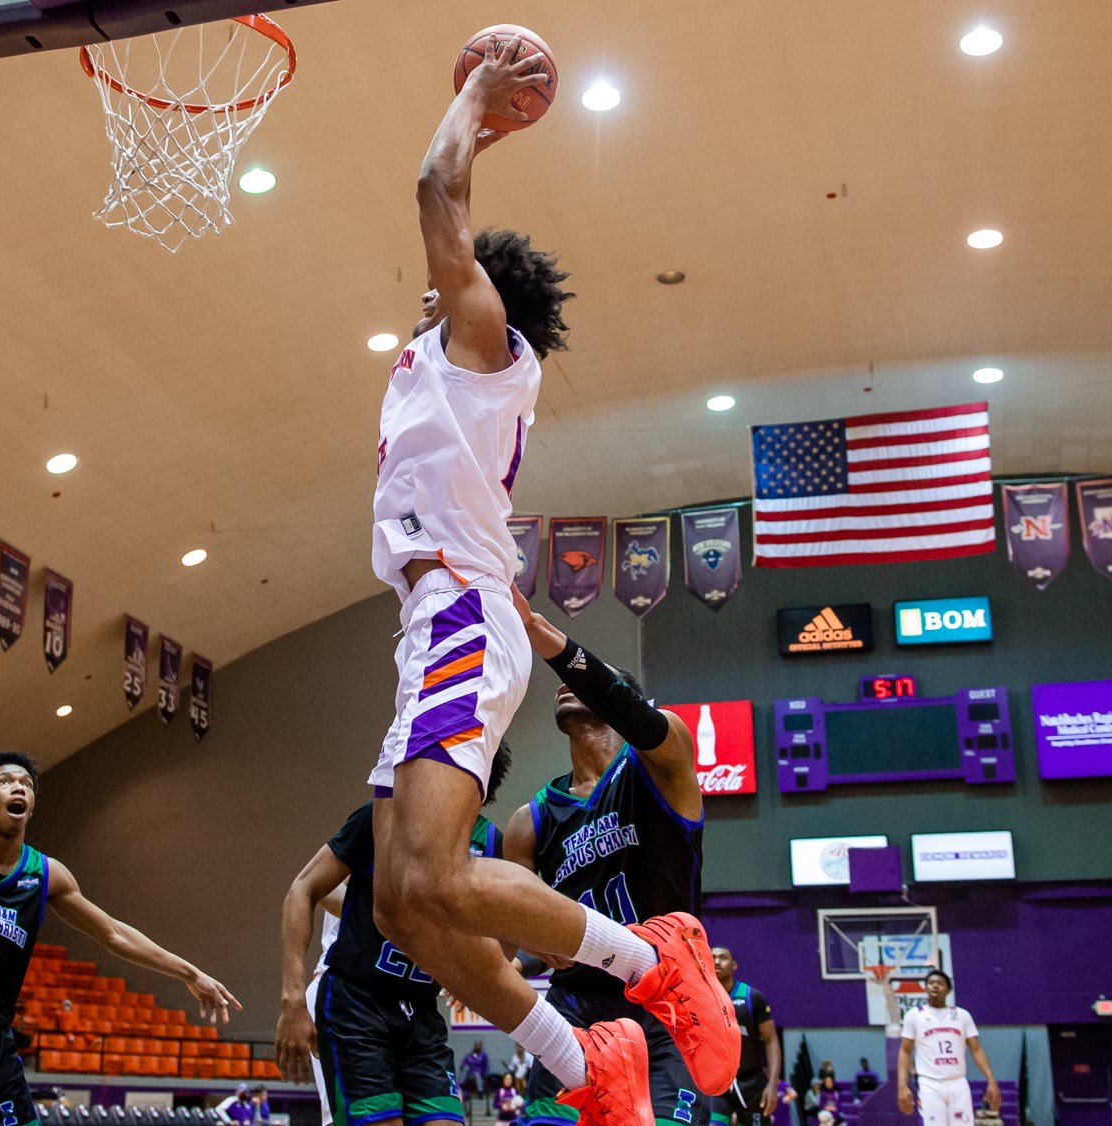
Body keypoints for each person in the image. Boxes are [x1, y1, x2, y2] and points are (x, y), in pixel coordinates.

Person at [363, 34, 735, 1126]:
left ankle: (651, 960)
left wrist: (478, 99)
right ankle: (587, 1066)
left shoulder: (481, 344)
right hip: (427, 617)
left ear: (483, 295)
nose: (430, 289)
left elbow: (435, 188)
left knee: (433, 871)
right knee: (399, 906)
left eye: (449, 279)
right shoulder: (446, 363)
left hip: (461, 611)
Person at [0, 642, 239, 1126]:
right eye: (5, 782)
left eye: (25, 783)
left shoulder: (47, 875)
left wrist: (189, 973)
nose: (19, 787)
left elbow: (113, 932)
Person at [498, 601, 722, 1126]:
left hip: (668, 1006)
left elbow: (641, 720)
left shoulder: (663, 762)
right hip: (579, 1008)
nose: (562, 685)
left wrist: (545, 637)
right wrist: (527, 945)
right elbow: (518, 924)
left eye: (593, 682)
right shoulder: (529, 822)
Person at [275, 746, 511, 1126]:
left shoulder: (493, 843)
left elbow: (505, 925)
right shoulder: (381, 817)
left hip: (421, 1014)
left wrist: (483, 967)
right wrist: (292, 1000)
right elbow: (302, 889)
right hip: (356, 1006)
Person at [896, 971, 1000, 1126]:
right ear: (926, 988)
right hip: (929, 1084)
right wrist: (902, 1085)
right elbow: (905, 1051)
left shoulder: (962, 1015)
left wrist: (991, 1080)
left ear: (948, 990)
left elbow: (976, 1049)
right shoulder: (914, 1015)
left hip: (958, 1082)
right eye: (931, 982)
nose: (935, 986)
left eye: (940, 983)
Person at [711, 948, 780, 1126]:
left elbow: (771, 1040)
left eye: (723, 958)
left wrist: (773, 1084)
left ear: (734, 965)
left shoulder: (752, 997)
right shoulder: (701, 998)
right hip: (716, 1082)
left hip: (752, 1081)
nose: (717, 961)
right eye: (712, 958)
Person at [463, 1041, 492, 1113]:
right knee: (466, 1069)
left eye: (478, 1046)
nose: (477, 1047)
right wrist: (464, 1067)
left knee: (477, 1075)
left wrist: (485, 1075)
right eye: (476, 1046)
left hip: (479, 1074)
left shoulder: (483, 1056)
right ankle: (461, 1087)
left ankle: (480, 1092)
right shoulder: (469, 1056)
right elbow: (463, 1064)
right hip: (470, 1074)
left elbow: (486, 1066)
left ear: (481, 1047)